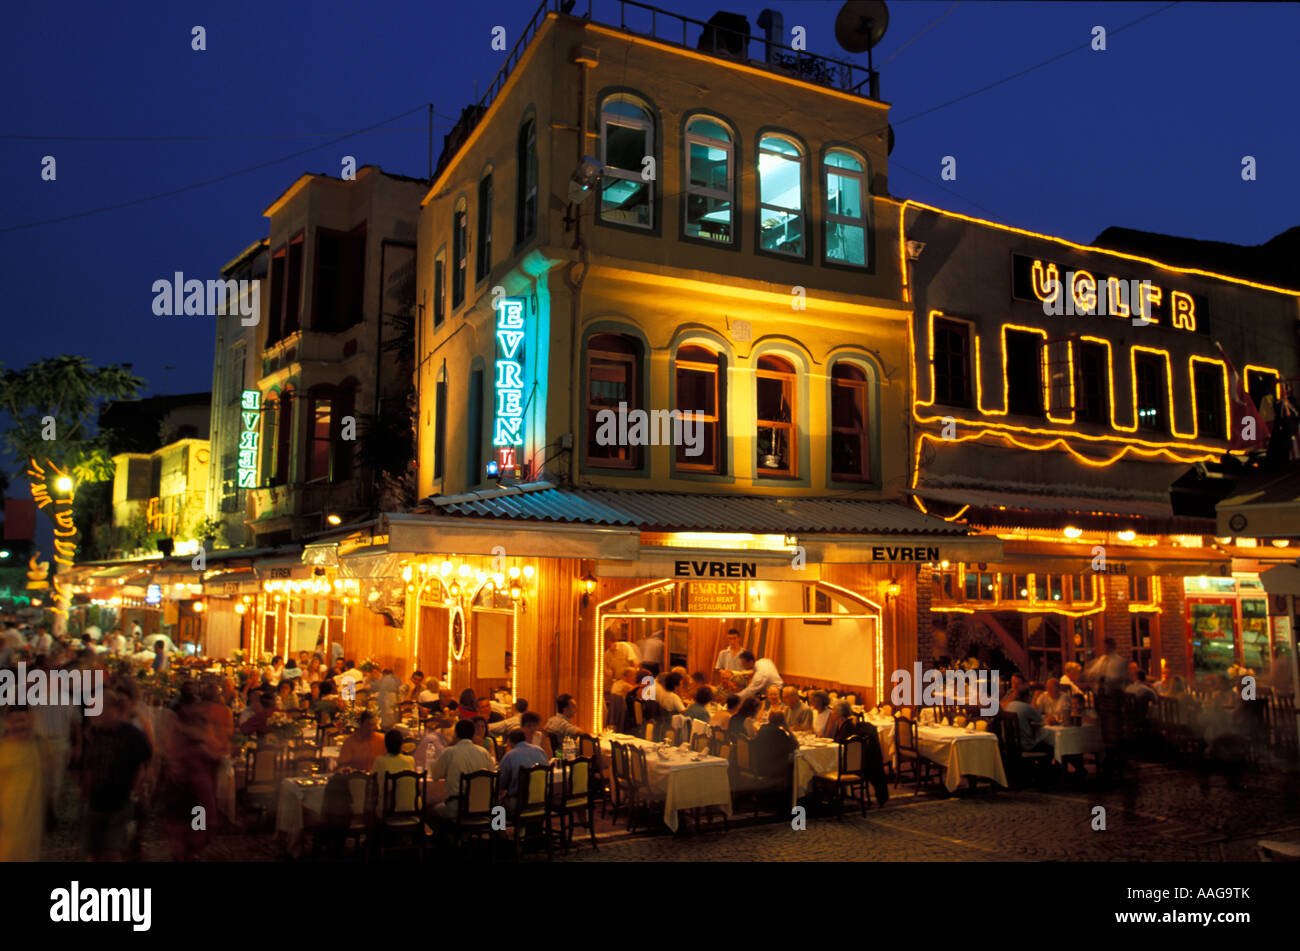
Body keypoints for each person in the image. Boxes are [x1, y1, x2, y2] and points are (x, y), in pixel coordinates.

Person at [80, 690, 153, 861]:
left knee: (112, 851)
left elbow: (143, 766)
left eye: (97, 709)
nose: (93, 715)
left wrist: (135, 793)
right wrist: (84, 790)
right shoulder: (92, 733)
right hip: (94, 801)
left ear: (112, 709)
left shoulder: (132, 735)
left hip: (120, 802)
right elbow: (87, 764)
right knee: (92, 851)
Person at [0, 706, 49, 861]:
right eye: (14, 721)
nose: (19, 725)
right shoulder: (2, 748)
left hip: (32, 813)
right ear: (7, 723)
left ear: (31, 720)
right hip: (7, 816)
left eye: (23, 720)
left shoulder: (40, 743)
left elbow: (47, 775)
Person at [430, 719, 495, 819]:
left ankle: (447, 834)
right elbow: (493, 778)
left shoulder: (450, 752)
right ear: (473, 734)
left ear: (456, 734)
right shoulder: (484, 753)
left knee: (430, 810)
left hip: (457, 807)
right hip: (482, 807)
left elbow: (435, 775)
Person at [498, 728, 549, 813]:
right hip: (542, 799)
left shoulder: (510, 755)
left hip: (519, 803)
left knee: (496, 805)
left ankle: (499, 826)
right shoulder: (540, 751)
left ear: (510, 742)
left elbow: (501, 782)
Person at [370, 729, 417, 817]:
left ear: (385, 745)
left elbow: (372, 780)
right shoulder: (410, 760)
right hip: (411, 810)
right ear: (401, 745)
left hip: (387, 811)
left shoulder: (380, 761)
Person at [752, 710, 798, 780]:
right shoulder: (780, 733)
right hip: (773, 768)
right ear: (782, 720)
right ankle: (792, 786)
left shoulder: (763, 728)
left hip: (760, 765)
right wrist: (787, 729)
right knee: (796, 760)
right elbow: (795, 746)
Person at [1004, 686, 1051, 755]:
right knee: (1050, 747)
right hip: (1025, 745)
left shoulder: (1009, 705)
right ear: (1026, 696)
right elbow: (1041, 720)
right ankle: (1045, 766)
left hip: (1010, 744)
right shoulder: (1027, 707)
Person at [603, 625, 641, 694]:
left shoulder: (624, 647)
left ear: (607, 639)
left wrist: (634, 678)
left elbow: (635, 662)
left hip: (629, 680)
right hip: (618, 681)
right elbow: (609, 673)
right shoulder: (607, 654)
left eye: (603, 640)